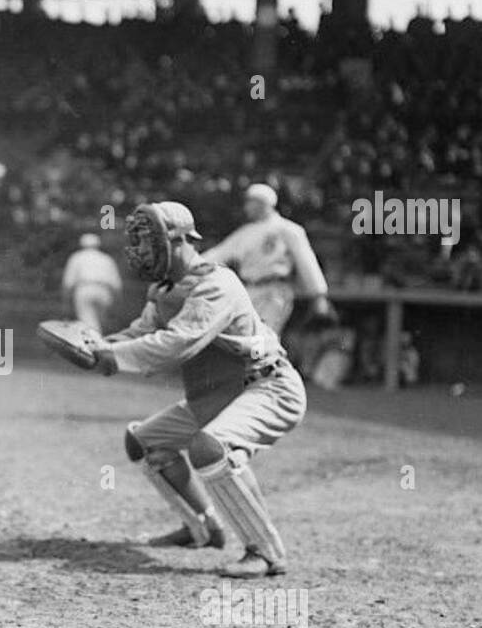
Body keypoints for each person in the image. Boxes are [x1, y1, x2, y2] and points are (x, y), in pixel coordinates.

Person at [88, 201, 307, 579]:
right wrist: (95, 346)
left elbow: (179, 342)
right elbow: (143, 332)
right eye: (138, 241)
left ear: (183, 240)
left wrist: (112, 356)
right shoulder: (165, 288)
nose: (141, 250)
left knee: (210, 447)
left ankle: (266, 552)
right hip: (219, 393)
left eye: (150, 240)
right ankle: (204, 528)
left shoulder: (214, 284)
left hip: (267, 386)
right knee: (144, 442)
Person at [201, 183, 333, 333]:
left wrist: (318, 295)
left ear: (262, 203)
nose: (247, 207)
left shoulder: (288, 229)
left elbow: (307, 262)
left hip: (275, 291)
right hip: (249, 291)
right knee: (246, 341)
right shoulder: (245, 232)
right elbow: (218, 254)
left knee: (265, 338)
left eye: (250, 202)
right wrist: (191, 263)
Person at [61, 233, 123, 333]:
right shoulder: (106, 258)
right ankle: (100, 343)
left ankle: (94, 346)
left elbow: (68, 283)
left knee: (88, 323)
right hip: (104, 291)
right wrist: (117, 303)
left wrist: (66, 303)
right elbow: (117, 286)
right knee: (100, 323)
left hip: (84, 289)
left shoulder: (76, 257)